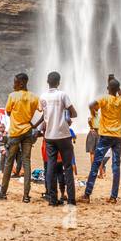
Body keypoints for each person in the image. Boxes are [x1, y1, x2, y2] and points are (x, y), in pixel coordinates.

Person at [80, 76, 121, 203]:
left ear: (107, 88)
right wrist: (118, 88)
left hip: (105, 135)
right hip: (117, 136)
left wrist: (93, 112)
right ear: (117, 89)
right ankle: (113, 197)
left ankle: (87, 194)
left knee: (96, 163)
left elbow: (91, 105)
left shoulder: (104, 99)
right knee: (116, 166)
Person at [0, 72, 41, 202]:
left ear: (21, 83)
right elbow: (42, 111)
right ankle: (26, 195)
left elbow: (9, 112)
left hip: (15, 133)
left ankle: (3, 192)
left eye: (15, 82)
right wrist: (34, 125)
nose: (13, 84)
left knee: (9, 162)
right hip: (28, 132)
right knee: (26, 162)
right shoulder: (34, 97)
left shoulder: (13, 96)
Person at [39, 71, 77, 207]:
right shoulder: (62, 95)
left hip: (49, 137)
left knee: (51, 167)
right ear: (59, 82)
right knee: (67, 167)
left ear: (47, 82)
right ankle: (71, 199)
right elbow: (74, 113)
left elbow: (43, 113)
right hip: (63, 135)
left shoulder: (42, 96)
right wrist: (67, 116)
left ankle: (52, 199)